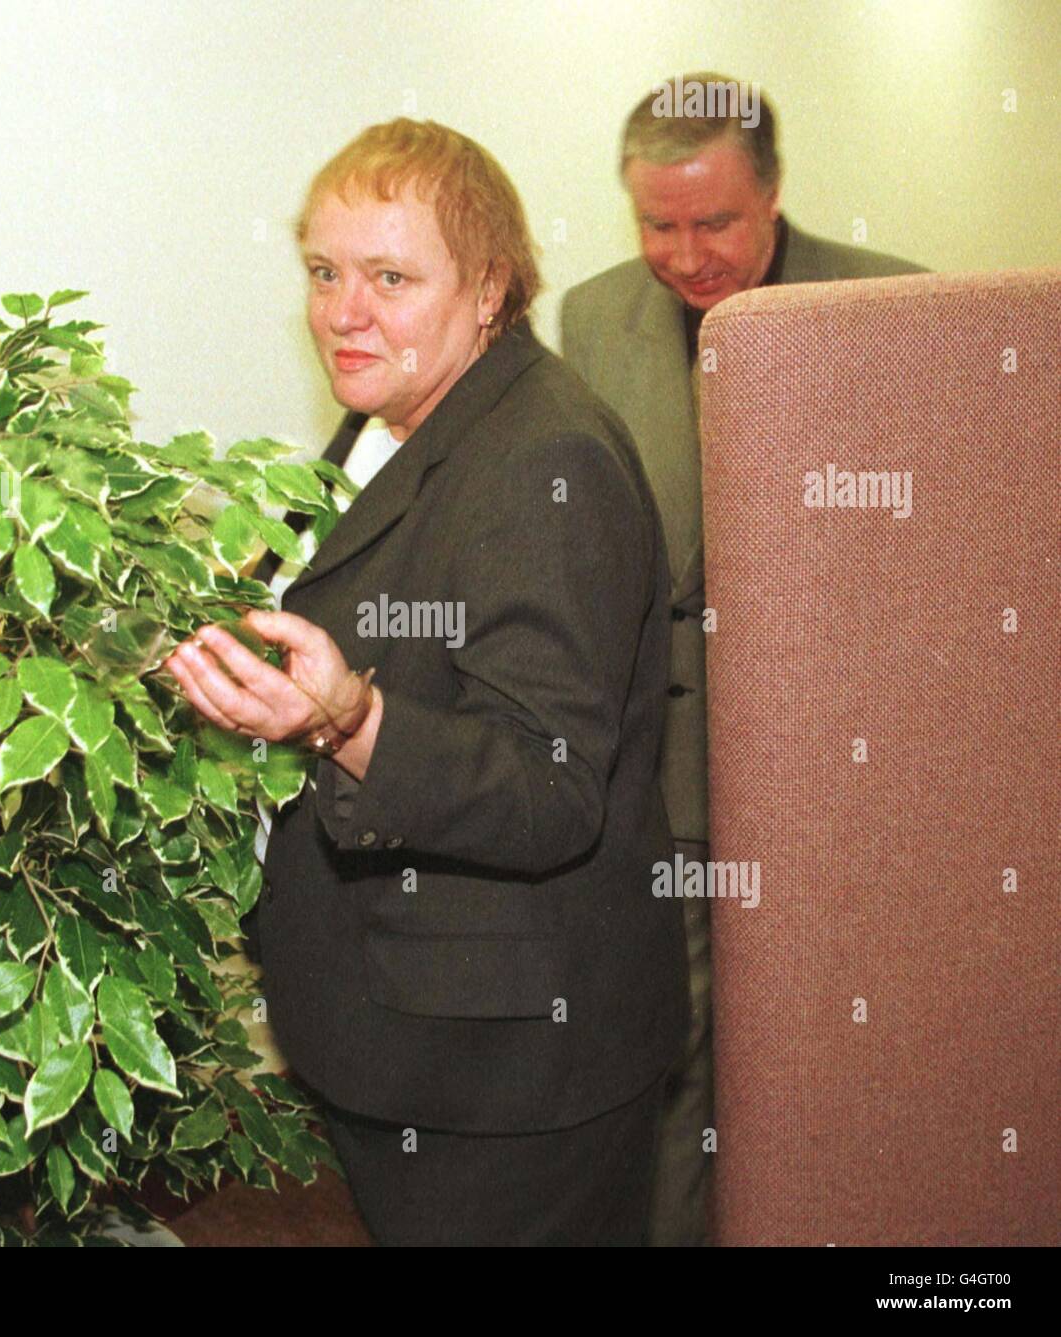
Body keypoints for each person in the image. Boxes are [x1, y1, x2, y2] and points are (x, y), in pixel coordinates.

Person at [165, 117, 688, 1246]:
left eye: (390, 277)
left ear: (490, 286)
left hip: (508, 1075)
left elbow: (550, 788)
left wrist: (348, 717)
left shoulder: (546, 458)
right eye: (323, 271)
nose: (343, 311)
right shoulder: (381, 423)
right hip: (402, 1034)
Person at [560, 73, 926, 1246]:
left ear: (772, 195)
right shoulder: (588, 316)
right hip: (663, 782)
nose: (685, 254)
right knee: (677, 1058)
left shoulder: (900, 311)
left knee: (840, 1055)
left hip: (839, 786)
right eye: (656, 225)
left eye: (713, 221)